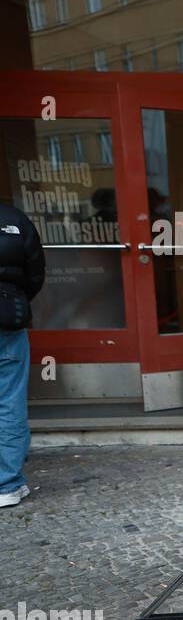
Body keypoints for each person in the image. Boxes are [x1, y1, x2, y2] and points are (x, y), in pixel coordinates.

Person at [0, 202, 44, 509]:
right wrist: (16, 298)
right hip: (7, 318)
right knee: (10, 400)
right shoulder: (13, 218)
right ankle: (7, 484)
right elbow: (35, 271)